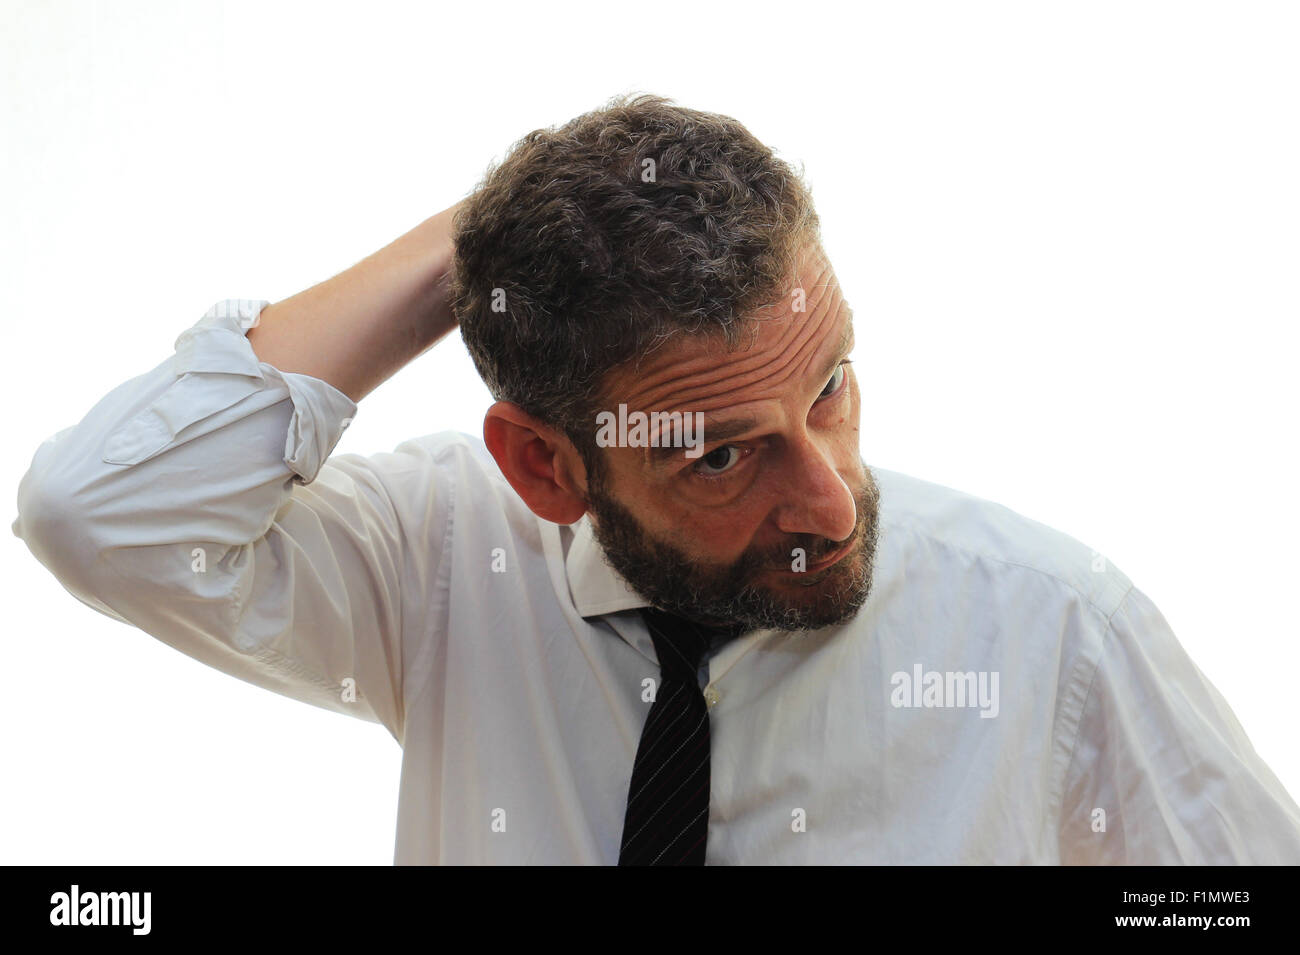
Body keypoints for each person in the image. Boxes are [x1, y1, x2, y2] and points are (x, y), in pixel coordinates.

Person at [14, 93, 1300, 864]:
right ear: (542, 466)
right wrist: (485, 234)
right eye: (723, 455)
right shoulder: (439, 563)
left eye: (830, 390)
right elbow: (99, 515)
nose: (833, 501)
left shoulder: (1053, 624)